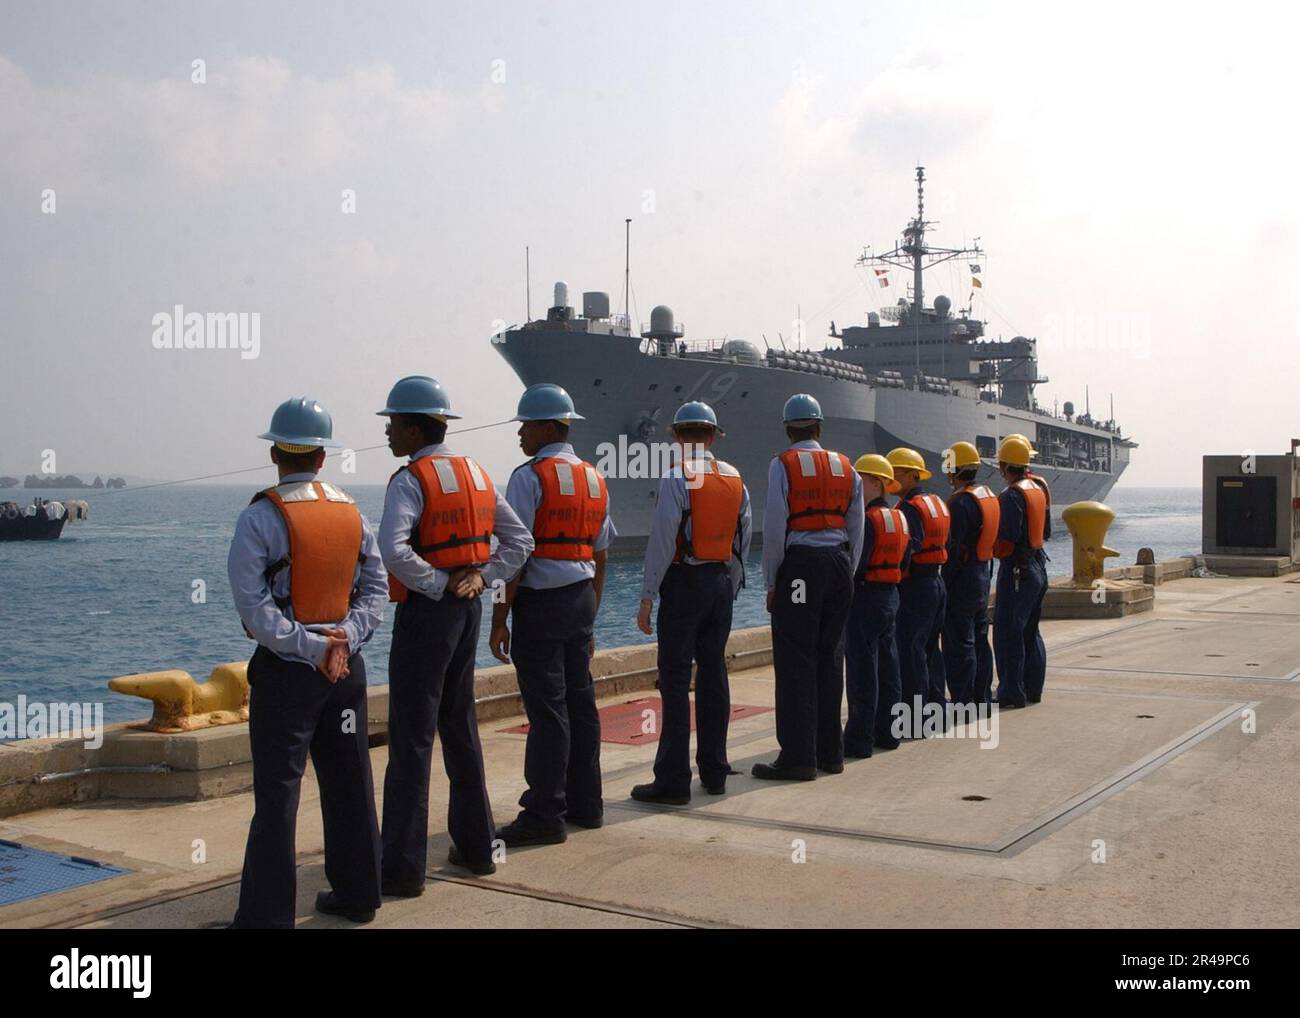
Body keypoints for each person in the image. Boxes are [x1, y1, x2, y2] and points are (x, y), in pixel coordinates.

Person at [227, 397, 387, 928]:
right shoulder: (352, 513)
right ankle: (359, 893)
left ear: (276, 452)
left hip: (289, 673)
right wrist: (345, 639)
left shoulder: (260, 516)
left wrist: (313, 646)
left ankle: (267, 917)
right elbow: (376, 589)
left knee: (278, 792)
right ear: (323, 457)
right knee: (350, 782)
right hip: (345, 671)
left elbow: (254, 609)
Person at [376, 376, 533, 892]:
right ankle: (477, 848)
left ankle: (401, 869)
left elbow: (394, 550)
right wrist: (482, 576)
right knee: (460, 729)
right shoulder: (476, 474)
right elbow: (521, 540)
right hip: (466, 615)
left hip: (428, 615)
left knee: (413, 739)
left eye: (394, 423)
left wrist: (438, 583)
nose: (388, 433)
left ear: (416, 426)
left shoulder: (409, 480)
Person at [490, 383, 616, 845]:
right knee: (580, 705)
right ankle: (588, 804)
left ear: (546, 427)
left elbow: (514, 553)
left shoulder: (528, 478)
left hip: (542, 604)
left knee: (547, 710)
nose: (520, 434)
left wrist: (498, 617)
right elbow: (601, 553)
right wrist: (592, 612)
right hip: (581, 598)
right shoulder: (593, 478)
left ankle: (545, 813)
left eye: (525, 425)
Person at [632, 401, 752, 803]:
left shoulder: (676, 477)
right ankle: (715, 771)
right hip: (720, 582)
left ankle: (672, 780)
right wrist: (730, 584)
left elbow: (663, 542)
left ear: (677, 437)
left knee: (675, 679)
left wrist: (648, 596)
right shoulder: (736, 479)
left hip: (684, 582)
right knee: (714, 675)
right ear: (715, 436)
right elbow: (742, 539)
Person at [752, 393, 863, 781]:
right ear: (819, 427)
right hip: (838, 564)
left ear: (788, 429)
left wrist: (771, 581)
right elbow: (857, 525)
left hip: (800, 567)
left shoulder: (782, 465)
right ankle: (830, 753)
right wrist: (848, 568)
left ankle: (798, 758)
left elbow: (776, 528)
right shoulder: (847, 467)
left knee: (796, 659)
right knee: (831, 658)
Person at [842, 453, 909, 757]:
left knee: (862, 671)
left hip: (866, 597)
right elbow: (906, 560)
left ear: (877, 483)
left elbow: (857, 562)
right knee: (889, 667)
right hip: (891, 595)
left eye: (861, 480)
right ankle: (889, 732)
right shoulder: (900, 517)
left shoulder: (868, 520)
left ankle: (858, 740)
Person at [887, 447, 950, 735]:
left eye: (896, 473)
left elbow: (909, 547)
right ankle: (935, 708)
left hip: (915, 586)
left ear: (912, 475)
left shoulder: (909, 508)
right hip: (936, 582)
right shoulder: (935, 501)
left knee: (910, 651)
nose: (891, 478)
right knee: (929, 648)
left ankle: (914, 719)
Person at [992, 436, 1050, 708]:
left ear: (1004, 466)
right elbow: (1045, 531)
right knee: (1030, 631)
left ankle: (1011, 693)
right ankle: (1033, 689)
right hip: (1038, 564)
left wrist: (989, 548)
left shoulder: (1011, 495)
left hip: (1018, 570)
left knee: (1008, 633)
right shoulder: (1039, 488)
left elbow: (1007, 539)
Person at [940, 441, 1000, 706]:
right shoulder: (987, 495)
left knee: (959, 643)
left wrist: (944, 582)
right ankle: (982, 696)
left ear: (954, 471)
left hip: (963, 579)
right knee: (979, 639)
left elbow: (953, 549)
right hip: (983, 574)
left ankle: (963, 700)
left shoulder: (960, 504)